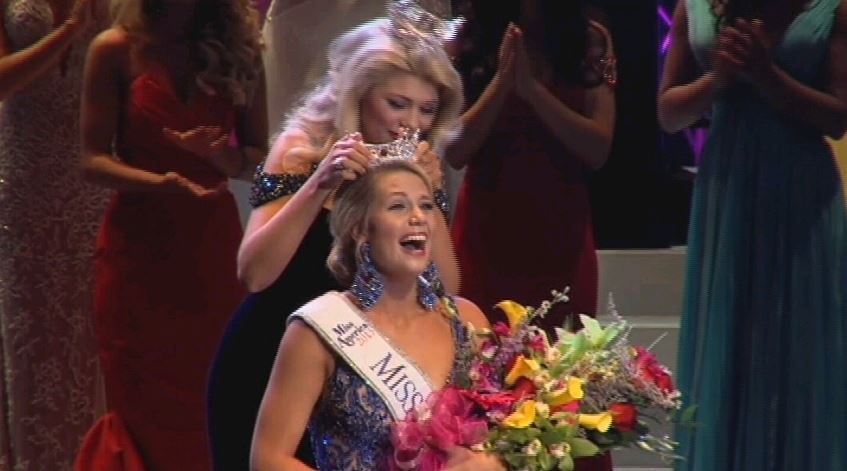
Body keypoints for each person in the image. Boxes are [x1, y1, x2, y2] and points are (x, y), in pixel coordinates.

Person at [206, 6, 463, 468]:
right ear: (358, 96)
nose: (413, 124)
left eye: (426, 109)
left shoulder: (421, 165)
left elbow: (447, 290)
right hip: (272, 357)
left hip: (361, 385)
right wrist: (319, 184)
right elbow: (254, 274)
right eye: (397, 103)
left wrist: (433, 197)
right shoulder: (301, 150)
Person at [74, 0, 266, 468]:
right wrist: (157, 182)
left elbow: (258, 155)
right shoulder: (114, 49)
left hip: (210, 252)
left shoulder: (241, 49)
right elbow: (91, 159)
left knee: (213, 390)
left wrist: (223, 159)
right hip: (138, 250)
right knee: (142, 399)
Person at [658, 0, 847, 469]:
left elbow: (838, 119)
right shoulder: (693, 8)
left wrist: (767, 76)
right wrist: (719, 79)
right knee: (729, 333)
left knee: (799, 341)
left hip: (801, 191)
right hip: (728, 190)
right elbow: (669, 113)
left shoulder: (833, 10)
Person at [250, 158, 503, 470]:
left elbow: (505, 429)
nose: (418, 218)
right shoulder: (317, 331)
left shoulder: (468, 321)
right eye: (398, 206)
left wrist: (494, 461)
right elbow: (268, 460)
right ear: (361, 229)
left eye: (426, 206)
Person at [446, 0, 616, 382]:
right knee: (484, 373)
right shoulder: (465, 40)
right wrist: (503, 83)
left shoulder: (589, 38)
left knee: (559, 378)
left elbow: (598, 148)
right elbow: (454, 150)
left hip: (562, 237)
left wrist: (532, 91)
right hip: (486, 235)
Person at [0, 0, 109, 467]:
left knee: (94, 324)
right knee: (31, 319)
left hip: (93, 173)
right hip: (26, 175)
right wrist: (65, 32)